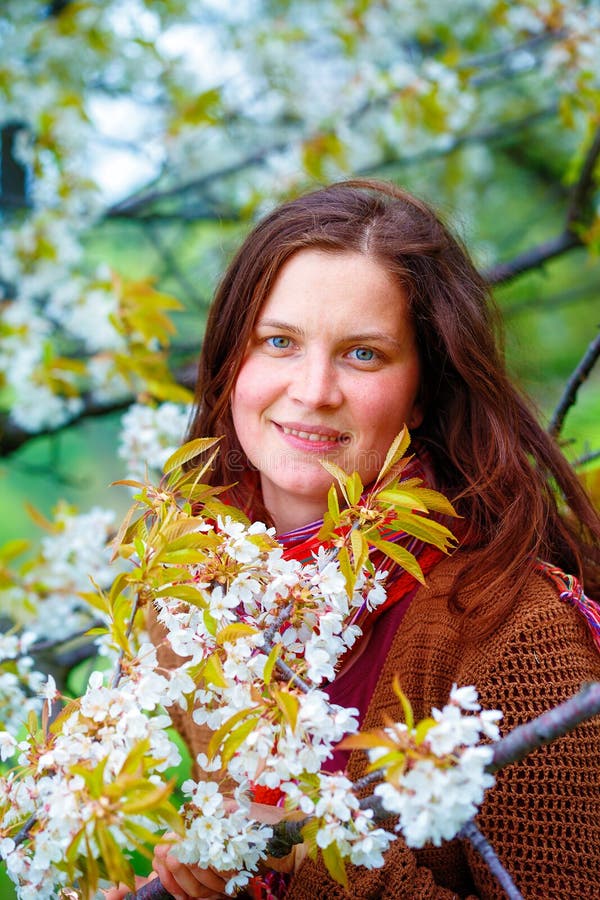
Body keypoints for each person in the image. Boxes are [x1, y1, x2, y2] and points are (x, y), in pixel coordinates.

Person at [107, 179, 600, 899]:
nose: (313, 389)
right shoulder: (186, 607)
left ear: (423, 388)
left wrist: (309, 850)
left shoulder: (516, 633)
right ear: (230, 362)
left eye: (363, 355)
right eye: (279, 342)